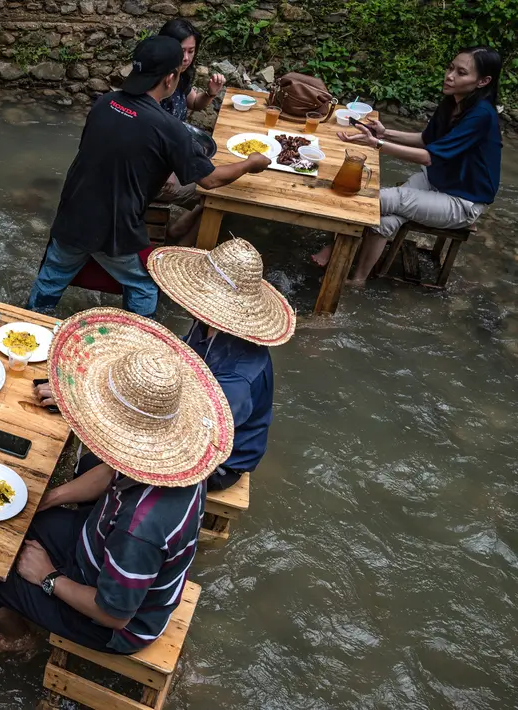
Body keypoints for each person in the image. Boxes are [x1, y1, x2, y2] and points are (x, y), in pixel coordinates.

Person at [0, 307, 232, 654]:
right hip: (96, 550)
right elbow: (108, 473)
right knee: (19, 522)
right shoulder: (169, 462)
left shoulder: (141, 529)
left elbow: (113, 613)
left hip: (115, 624)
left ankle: (17, 639)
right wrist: (51, 497)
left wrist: (48, 577)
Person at [27, 36, 268, 319]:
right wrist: (250, 163)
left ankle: (30, 324)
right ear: (170, 78)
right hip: (113, 226)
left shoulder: (105, 103)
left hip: (72, 214)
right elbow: (210, 180)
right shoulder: (169, 128)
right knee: (143, 286)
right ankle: (139, 339)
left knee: (51, 279)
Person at [312, 46, 502, 285]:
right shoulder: (453, 103)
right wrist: (384, 132)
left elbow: (428, 156)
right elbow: (425, 140)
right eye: (450, 68)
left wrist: (376, 144)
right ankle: (359, 279)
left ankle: (333, 247)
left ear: (483, 81)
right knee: (385, 220)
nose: (450, 76)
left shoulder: (481, 115)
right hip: (436, 180)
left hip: (462, 201)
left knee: (371, 201)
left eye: (461, 73)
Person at [147, 239, 296, 490]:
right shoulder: (207, 325)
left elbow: (202, 436)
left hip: (218, 459)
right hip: (197, 406)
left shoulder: (238, 380)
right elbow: (182, 352)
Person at [156, 18, 227, 243]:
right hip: (156, 171)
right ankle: (185, 250)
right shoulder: (156, 80)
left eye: (191, 51)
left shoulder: (181, 76)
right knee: (218, 193)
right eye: (181, 51)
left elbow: (194, 103)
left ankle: (178, 230)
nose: (185, 58)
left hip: (174, 159)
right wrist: (165, 170)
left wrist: (211, 93)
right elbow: (144, 134)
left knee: (218, 183)